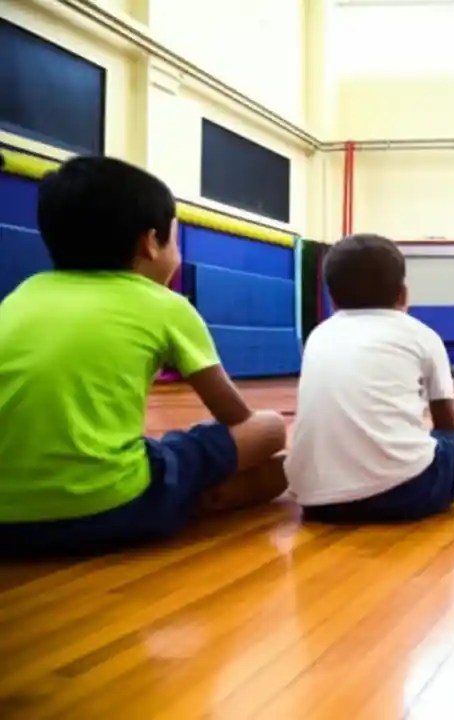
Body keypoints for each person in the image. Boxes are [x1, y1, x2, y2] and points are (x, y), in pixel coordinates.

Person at [0, 156, 287, 556]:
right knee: (271, 433)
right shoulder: (166, 306)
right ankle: (197, 499)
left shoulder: (20, 297)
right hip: (108, 506)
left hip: (5, 522)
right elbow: (237, 419)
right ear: (150, 243)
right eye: (176, 237)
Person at [286, 234, 454, 522]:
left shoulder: (318, 336)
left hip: (317, 501)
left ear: (332, 298)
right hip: (406, 492)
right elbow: (448, 428)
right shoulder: (422, 335)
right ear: (403, 294)